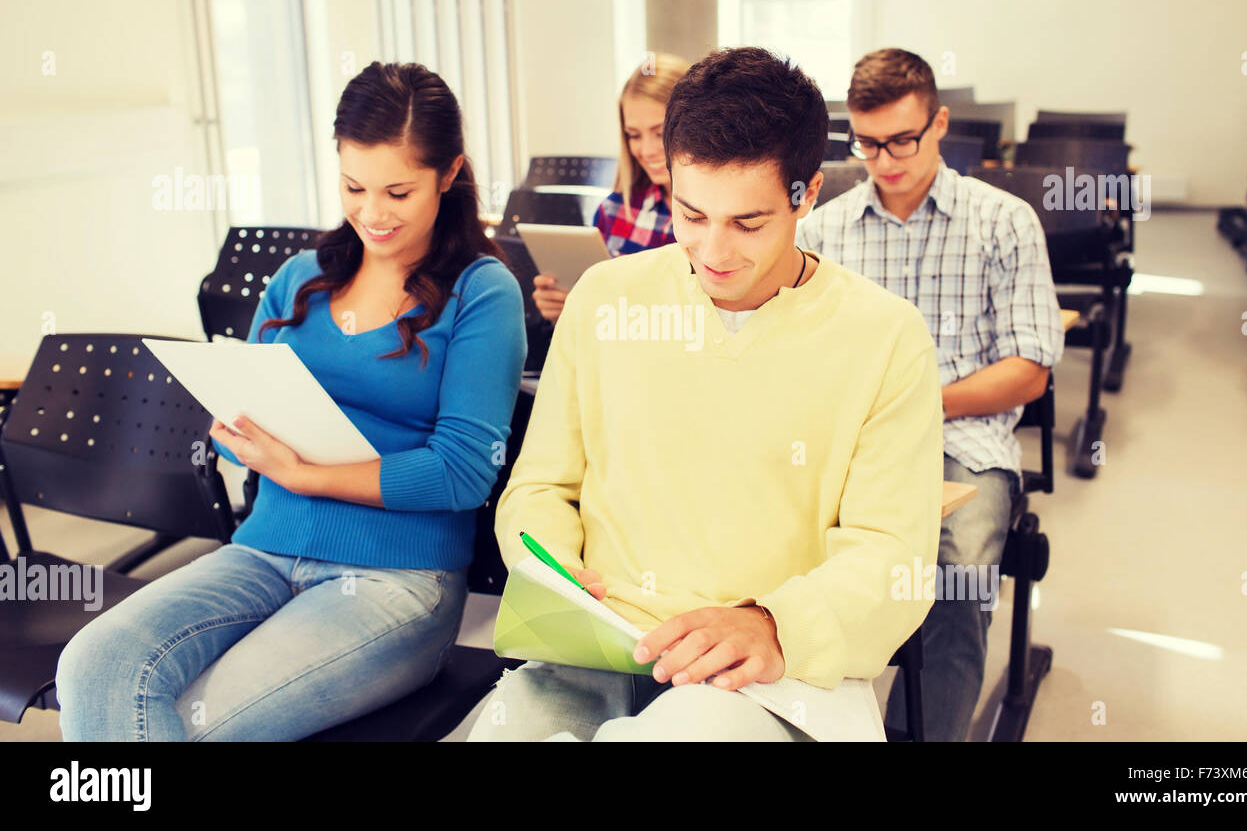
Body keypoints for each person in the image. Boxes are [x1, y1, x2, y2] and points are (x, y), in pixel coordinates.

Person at [468, 46, 942, 742]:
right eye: (691, 215)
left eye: (748, 223)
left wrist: (773, 623)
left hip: (756, 677)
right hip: (594, 643)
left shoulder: (886, 337)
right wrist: (550, 564)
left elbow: (892, 557)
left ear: (805, 194)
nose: (714, 251)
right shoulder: (606, 298)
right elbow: (541, 487)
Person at [55, 62, 526, 741]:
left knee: (192, 728)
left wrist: (307, 473)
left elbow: (462, 471)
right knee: (93, 668)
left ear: (449, 174)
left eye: (398, 191)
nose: (372, 213)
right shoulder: (300, 277)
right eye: (354, 186)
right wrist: (235, 429)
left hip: (398, 577)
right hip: (263, 549)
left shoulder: (483, 292)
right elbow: (232, 423)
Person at [796, 47, 1065, 741]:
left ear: (939, 123)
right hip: (843, 444)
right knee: (782, 562)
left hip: (963, 444)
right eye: (868, 142)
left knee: (957, 585)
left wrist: (918, 401)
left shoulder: (1003, 221)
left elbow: (1029, 369)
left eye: (902, 140)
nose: (884, 160)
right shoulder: (822, 230)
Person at [531, 52, 690, 322]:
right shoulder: (614, 211)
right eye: (634, 136)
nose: (647, 150)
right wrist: (565, 310)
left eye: (660, 133)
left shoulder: (718, 218)